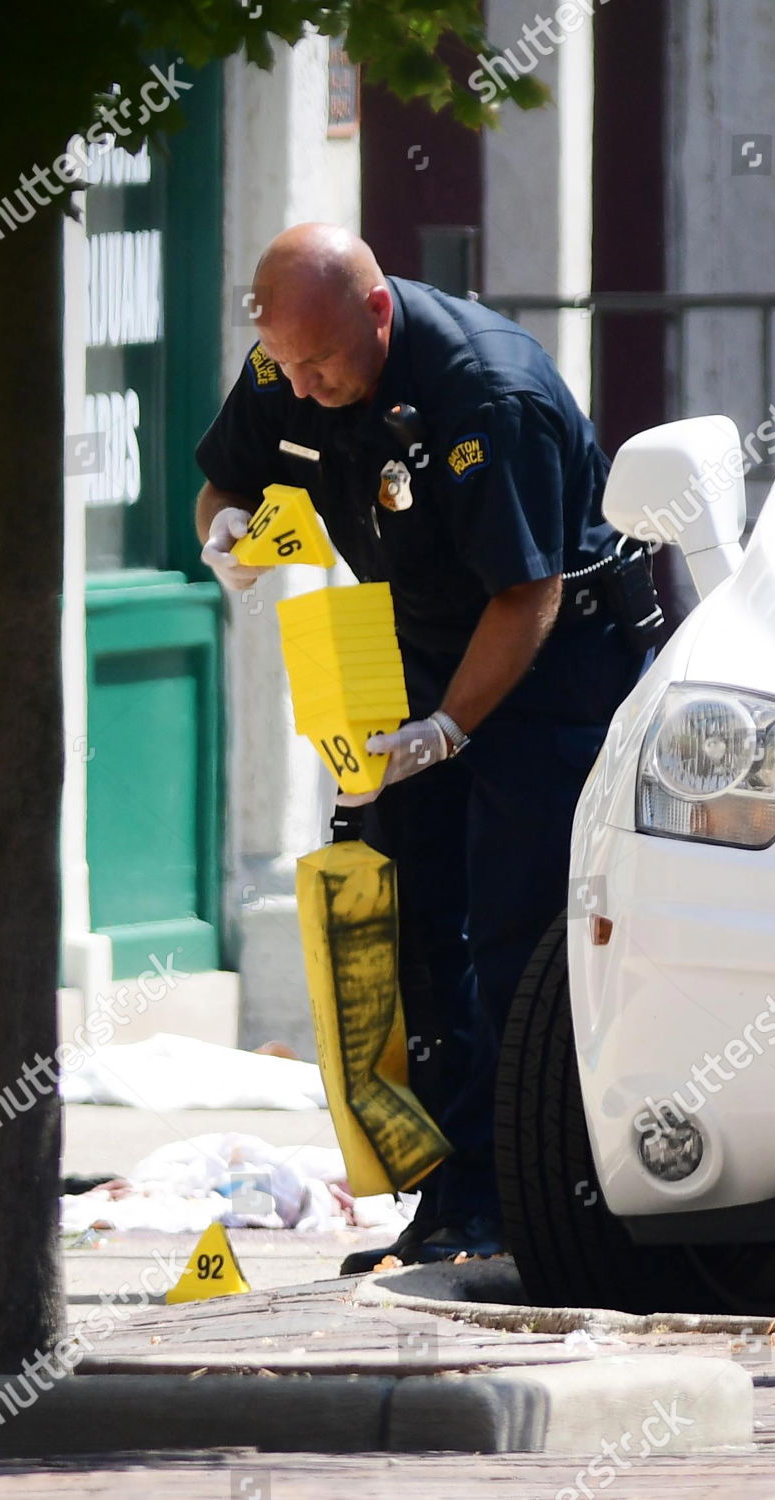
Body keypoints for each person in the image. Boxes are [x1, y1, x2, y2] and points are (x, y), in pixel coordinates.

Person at [195, 224, 659, 1271]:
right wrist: (221, 531)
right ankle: (448, 1203)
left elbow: (525, 592)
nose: (303, 391)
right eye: (286, 366)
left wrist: (451, 728)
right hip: (407, 655)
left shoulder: (482, 396)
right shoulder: (289, 363)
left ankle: (530, 1199)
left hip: (545, 673)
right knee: (412, 929)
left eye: (320, 365)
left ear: (375, 311)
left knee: (512, 936)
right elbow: (222, 480)